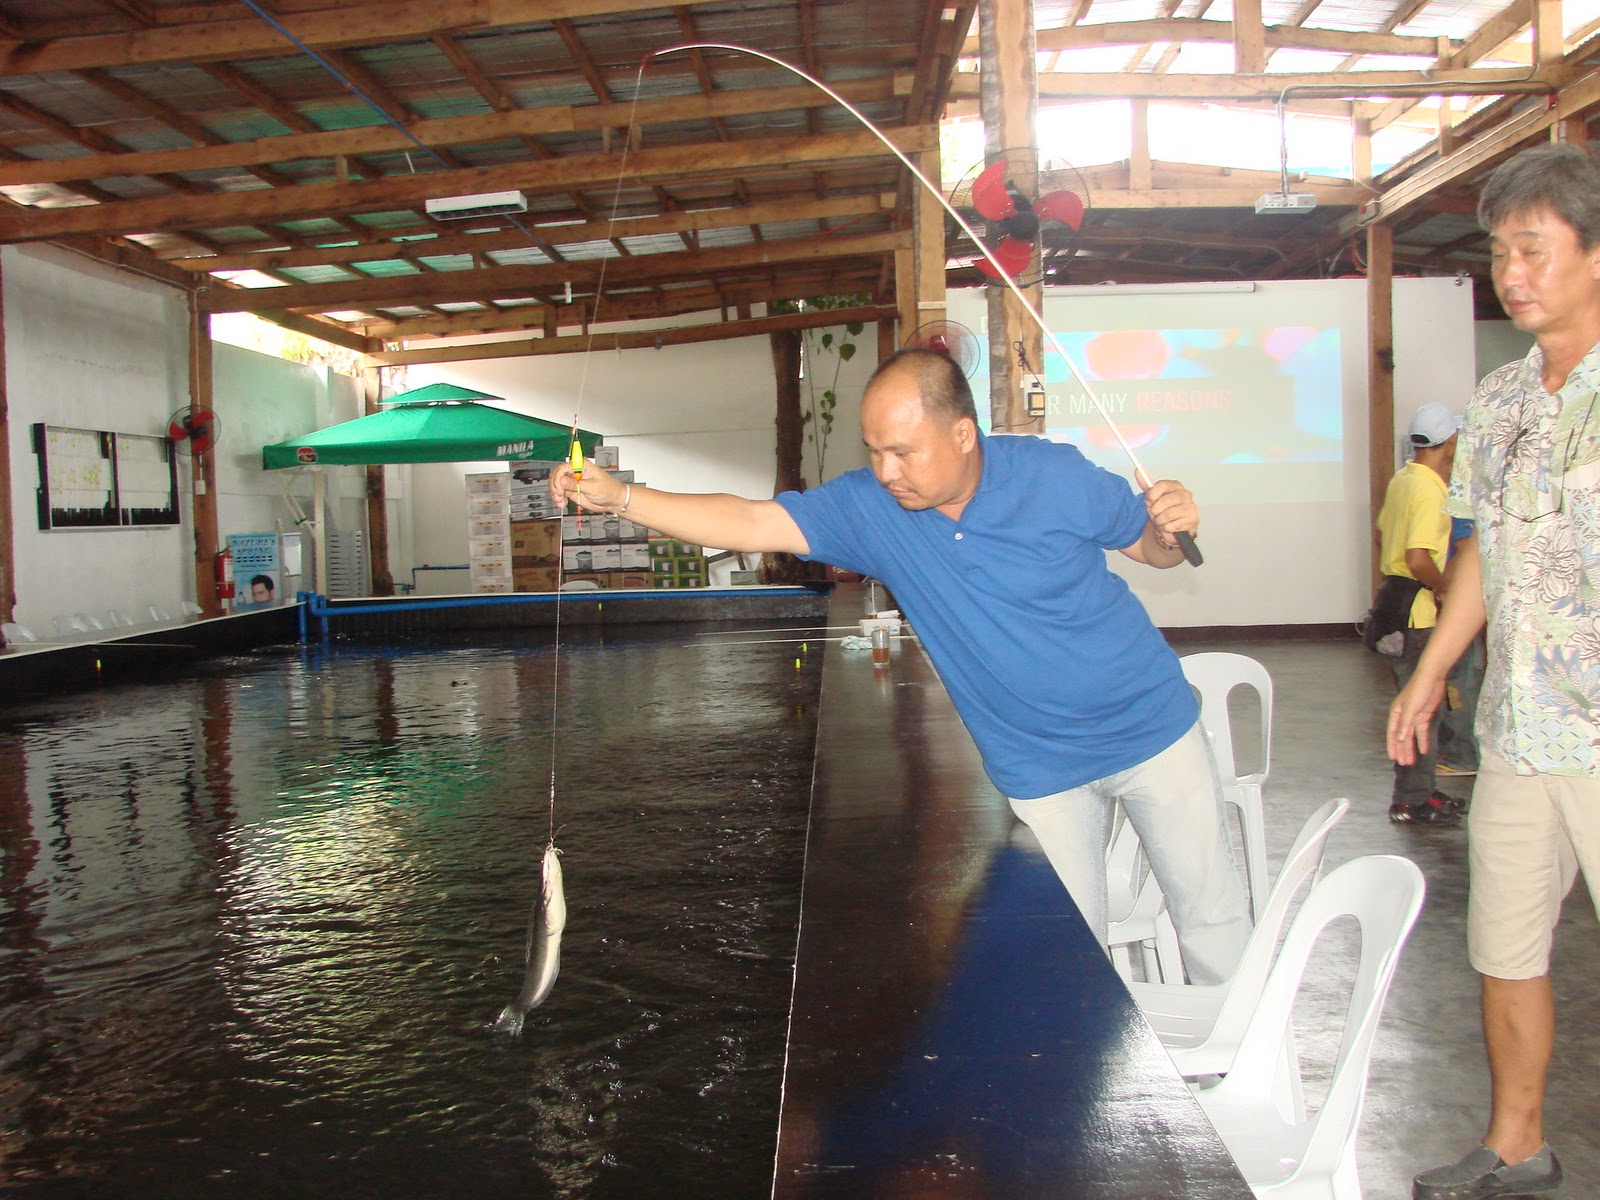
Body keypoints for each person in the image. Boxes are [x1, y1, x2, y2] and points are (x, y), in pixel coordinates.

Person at [552, 347, 1252, 985]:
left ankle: (1240, 1066)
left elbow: (1150, 548)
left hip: (1152, 730)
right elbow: (752, 521)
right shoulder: (871, 508)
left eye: (903, 452)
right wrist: (622, 499)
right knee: (1064, 963)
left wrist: (1171, 530)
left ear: (963, 434)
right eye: (875, 451)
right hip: (1038, 770)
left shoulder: (1054, 473)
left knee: (1213, 921)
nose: (886, 471)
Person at [1389, 142, 1600, 1200]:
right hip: (1518, 731)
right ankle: (1517, 1146)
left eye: (1533, 249)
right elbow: (1480, 549)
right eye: (1499, 254)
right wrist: (1431, 671)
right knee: (1504, 947)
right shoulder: (1502, 399)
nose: (1511, 274)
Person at [1374, 401, 1465, 826]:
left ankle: (1421, 789)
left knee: (1421, 702)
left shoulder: (1404, 479)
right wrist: (1446, 590)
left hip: (1396, 606)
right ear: (1449, 441)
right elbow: (1417, 557)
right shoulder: (1431, 491)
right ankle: (1411, 798)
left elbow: (1385, 537)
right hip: (1418, 615)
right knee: (1424, 704)